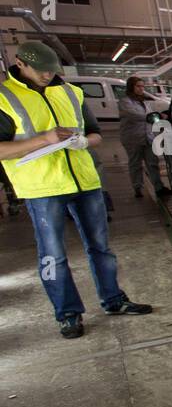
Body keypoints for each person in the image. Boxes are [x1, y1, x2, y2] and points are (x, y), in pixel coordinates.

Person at [0, 41, 153, 338]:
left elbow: (95, 134)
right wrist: (43, 140)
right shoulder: (4, 98)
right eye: (41, 70)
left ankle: (113, 300)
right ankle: (68, 313)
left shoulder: (71, 92)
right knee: (52, 255)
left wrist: (84, 141)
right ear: (20, 64)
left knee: (101, 248)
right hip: (42, 187)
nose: (47, 75)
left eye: (51, 70)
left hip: (85, 181)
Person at [119, 75, 168, 198]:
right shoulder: (125, 102)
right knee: (135, 164)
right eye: (138, 86)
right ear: (131, 87)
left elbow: (150, 116)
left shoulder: (144, 102)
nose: (141, 89)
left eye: (142, 86)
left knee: (153, 163)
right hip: (133, 139)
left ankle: (159, 187)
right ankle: (137, 187)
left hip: (148, 137)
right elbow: (136, 115)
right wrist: (156, 117)